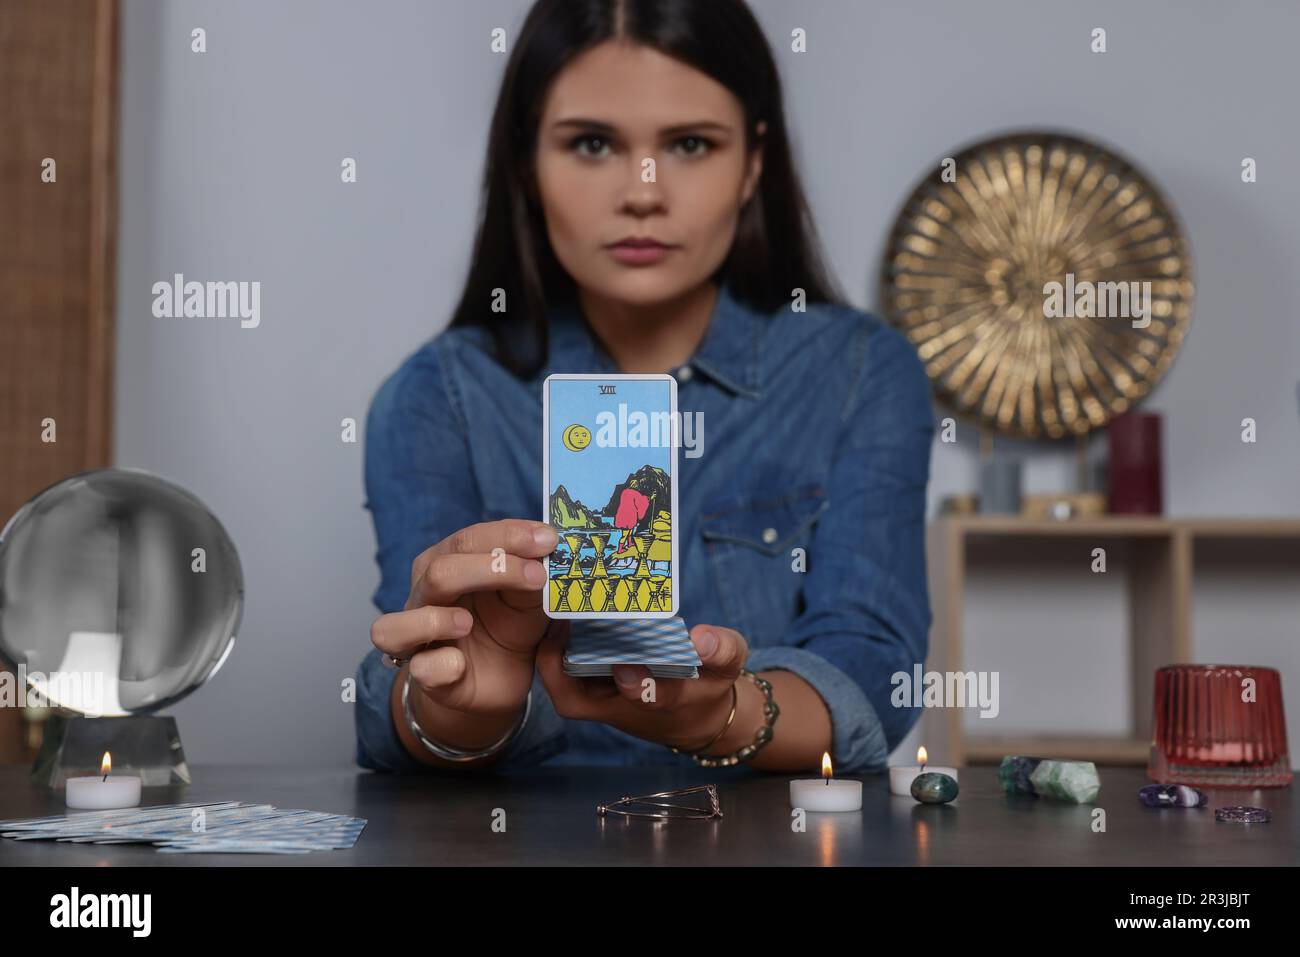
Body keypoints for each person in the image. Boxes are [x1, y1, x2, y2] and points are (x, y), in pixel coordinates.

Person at [355, 0, 934, 774]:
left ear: (753, 162)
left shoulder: (864, 373)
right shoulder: (437, 397)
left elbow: (873, 670)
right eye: (592, 143)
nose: (643, 192)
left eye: (690, 144)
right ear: (527, 161)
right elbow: (405, 691)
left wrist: (725, 715)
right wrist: (463, 703)